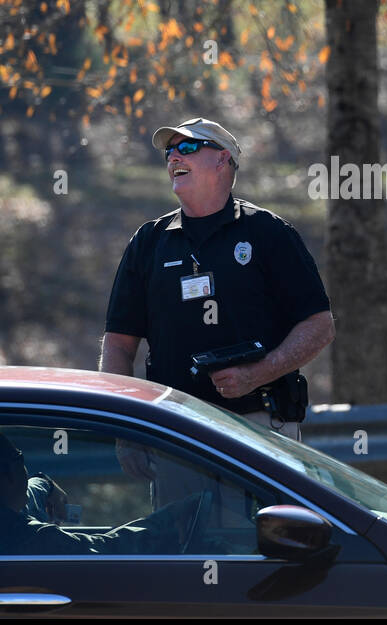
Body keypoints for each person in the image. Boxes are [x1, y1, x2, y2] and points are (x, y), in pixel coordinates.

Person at [99, 117, 334, 441]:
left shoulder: (268, 232)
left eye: (188, 147)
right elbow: (118, 346)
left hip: (261, 426)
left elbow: (320, 326)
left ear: (223, 159)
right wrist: (124, 431)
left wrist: (257, 374)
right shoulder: (148, 242)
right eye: (170, 151)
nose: (174, 157)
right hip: (174, 430)